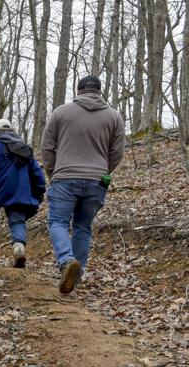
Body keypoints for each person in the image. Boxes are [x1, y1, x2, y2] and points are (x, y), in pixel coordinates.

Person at [41, 75, 125, 293]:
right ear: (99, 91)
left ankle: (67, 261)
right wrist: (103, 171)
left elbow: (47, 147)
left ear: (78, 91)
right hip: (97, 181)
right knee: (83, 227)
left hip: (65, 177)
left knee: (58, 222)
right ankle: (75, 278)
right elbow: (117, 152)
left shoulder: (61, 112)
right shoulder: (114, 116)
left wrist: (53, 172)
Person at [0, 120, 47, 268]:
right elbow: (37, 174)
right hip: (19, 191)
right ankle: (19, 248)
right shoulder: (24, 149)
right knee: (17, 222)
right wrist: (39, 190)